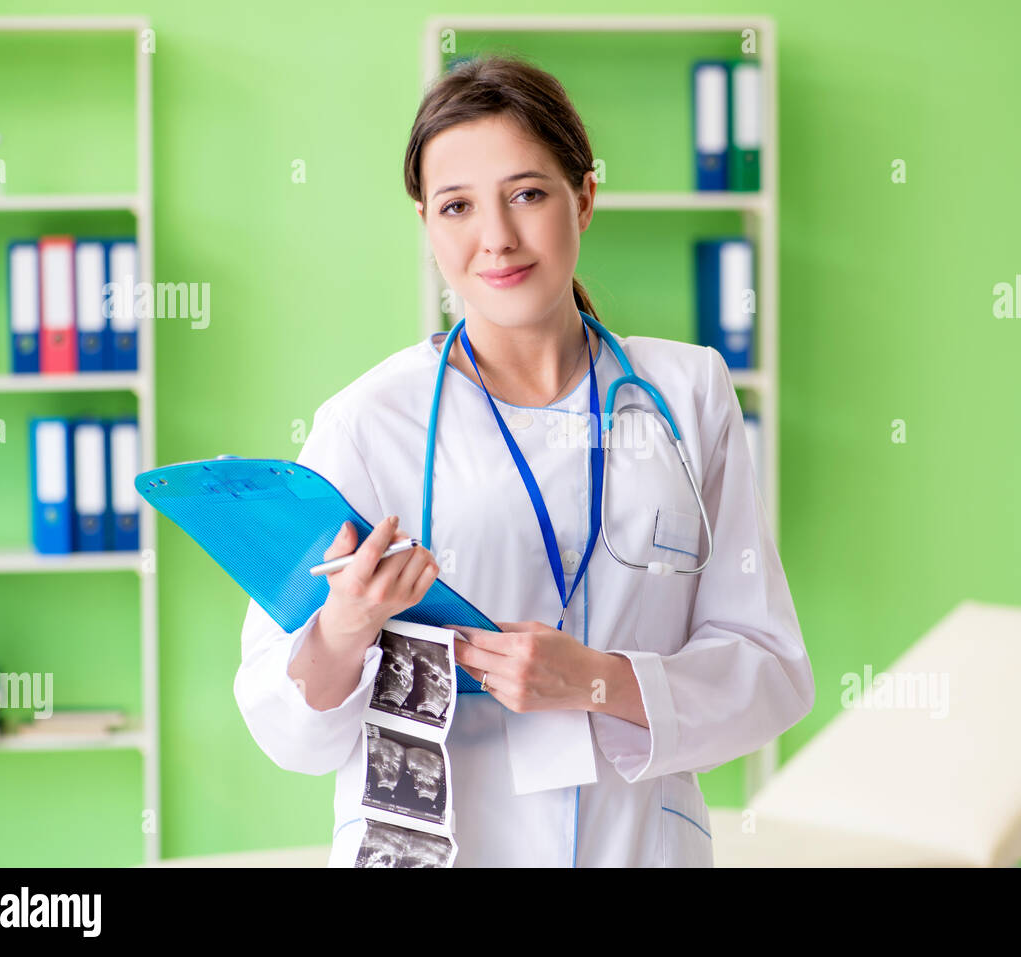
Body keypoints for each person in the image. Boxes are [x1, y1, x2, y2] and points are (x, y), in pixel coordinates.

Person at [233, 55, 814, 867]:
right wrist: (344, 627)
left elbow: (770, 670)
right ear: (428, 224)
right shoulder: (370, 423)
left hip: (637, 845)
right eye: (457, 206)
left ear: (584, 196)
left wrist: (598, 679)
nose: (496, 237)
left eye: (528, 194)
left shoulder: (688, 394)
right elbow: (279, 718)